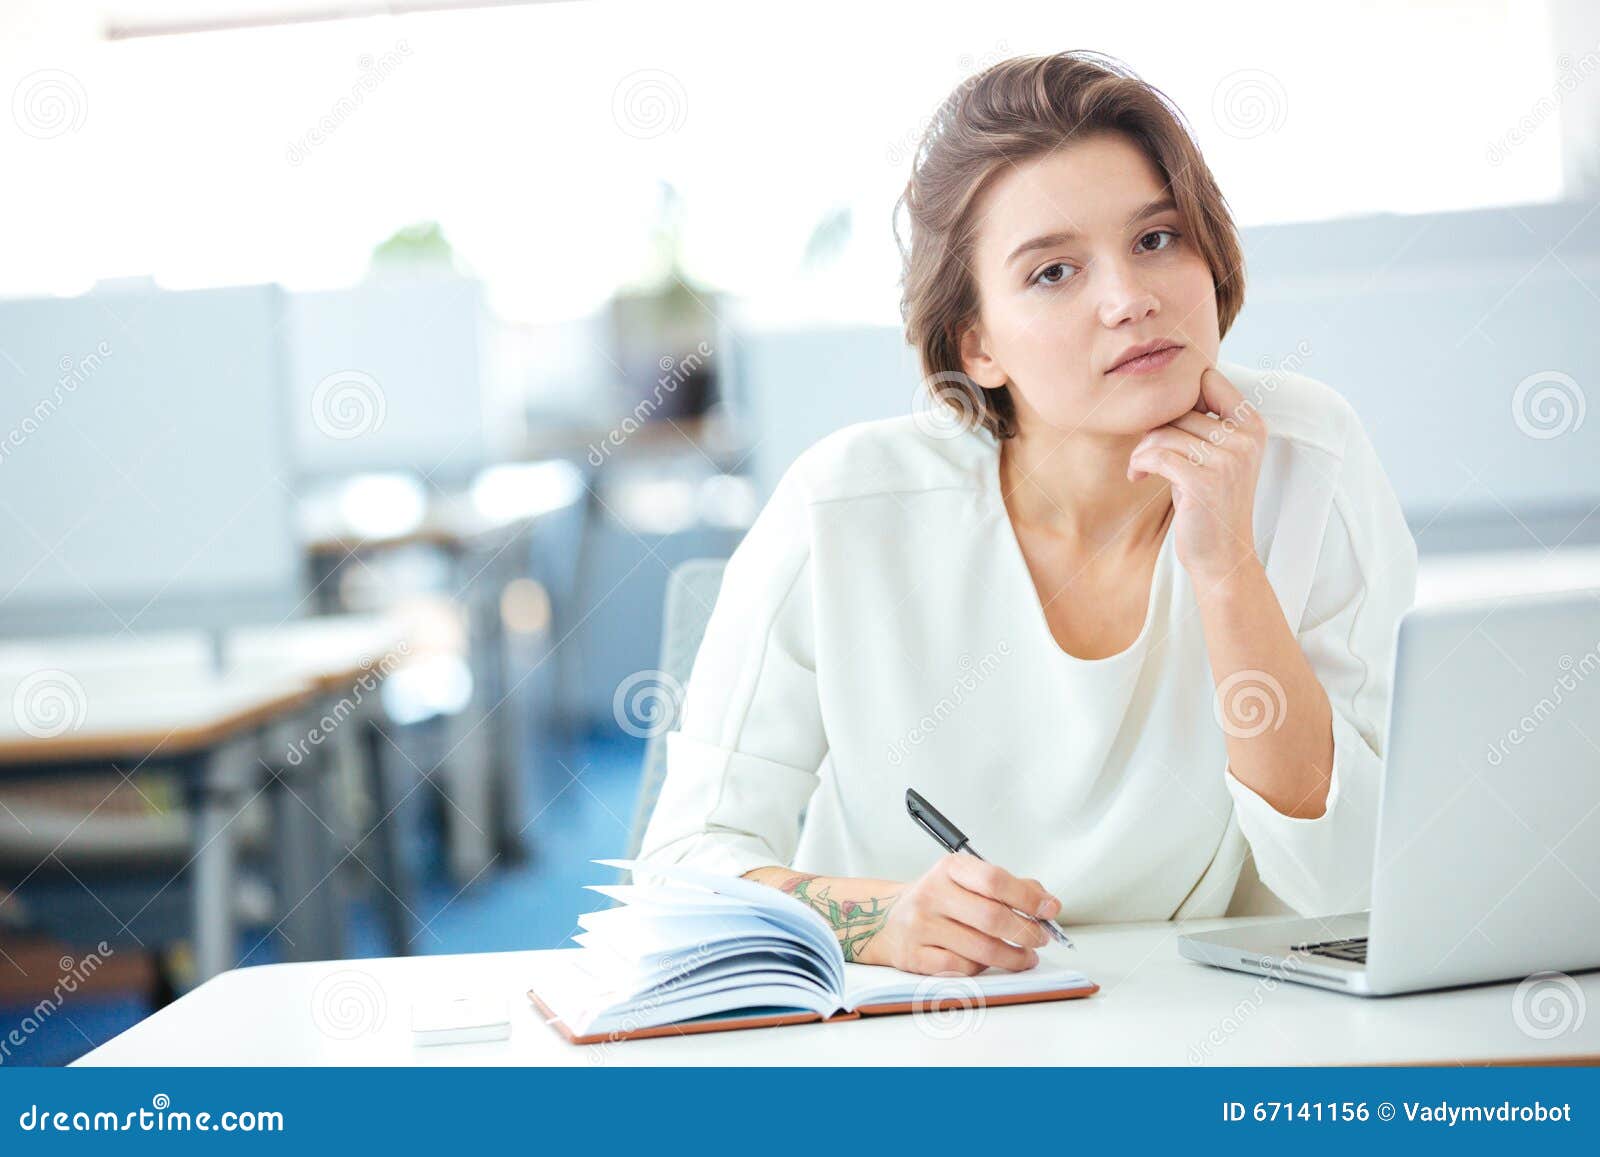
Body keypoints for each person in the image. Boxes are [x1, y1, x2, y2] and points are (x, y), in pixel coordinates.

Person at [635, 51, 1417, 978]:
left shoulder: (1306, 456)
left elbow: (1357, 879)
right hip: (919, 1028)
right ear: (977, 344)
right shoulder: (842, 508)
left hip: (1212, 1022)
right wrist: (876, 920)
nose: (1129, 299)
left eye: (1157, 238)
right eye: (1052, 272)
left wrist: (1227, 570)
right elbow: (681, 874)